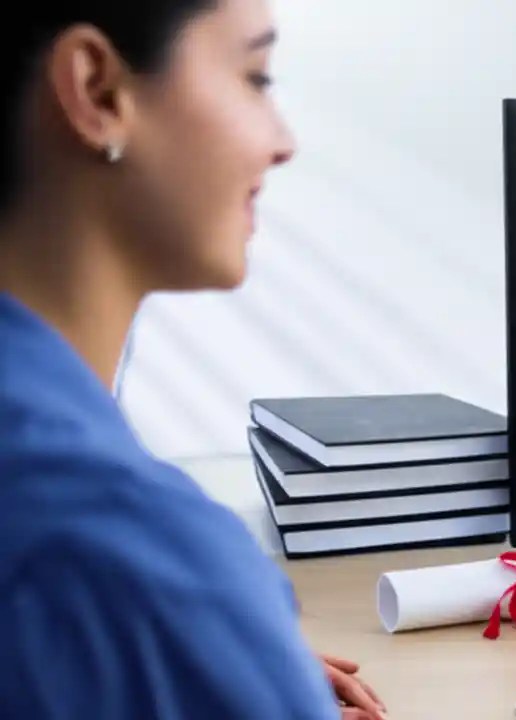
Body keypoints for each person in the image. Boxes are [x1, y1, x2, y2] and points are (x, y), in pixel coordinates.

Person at [0, 1, 387, 718]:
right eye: (255, 77)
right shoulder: (128, 557)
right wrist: (194, 637)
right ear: (97, 91)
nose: (283, 142)